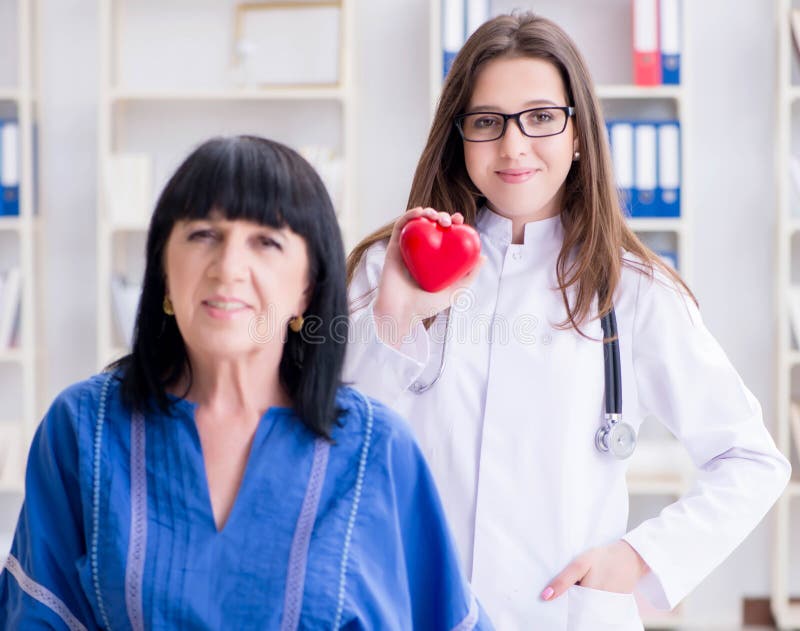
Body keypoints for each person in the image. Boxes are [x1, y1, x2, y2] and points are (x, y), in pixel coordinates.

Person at [344, 13, 791, 630]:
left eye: (541, 117)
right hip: (412, 610)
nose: (513, 146)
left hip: (562, 615)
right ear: (458, 137)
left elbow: (751, 459)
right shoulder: (390, 266)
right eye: (486, 121)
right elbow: (336, 443)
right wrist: (395, 320)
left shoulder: (636, 291)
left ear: (579, 133)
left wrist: (640, 557)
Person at [0, 136, 493, 630]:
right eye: (203, 235)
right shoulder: (82, 429)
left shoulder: (379, 448)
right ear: (164, 271)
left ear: (308, 288)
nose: (228, 268)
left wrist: (400, 310)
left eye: (267, 242)